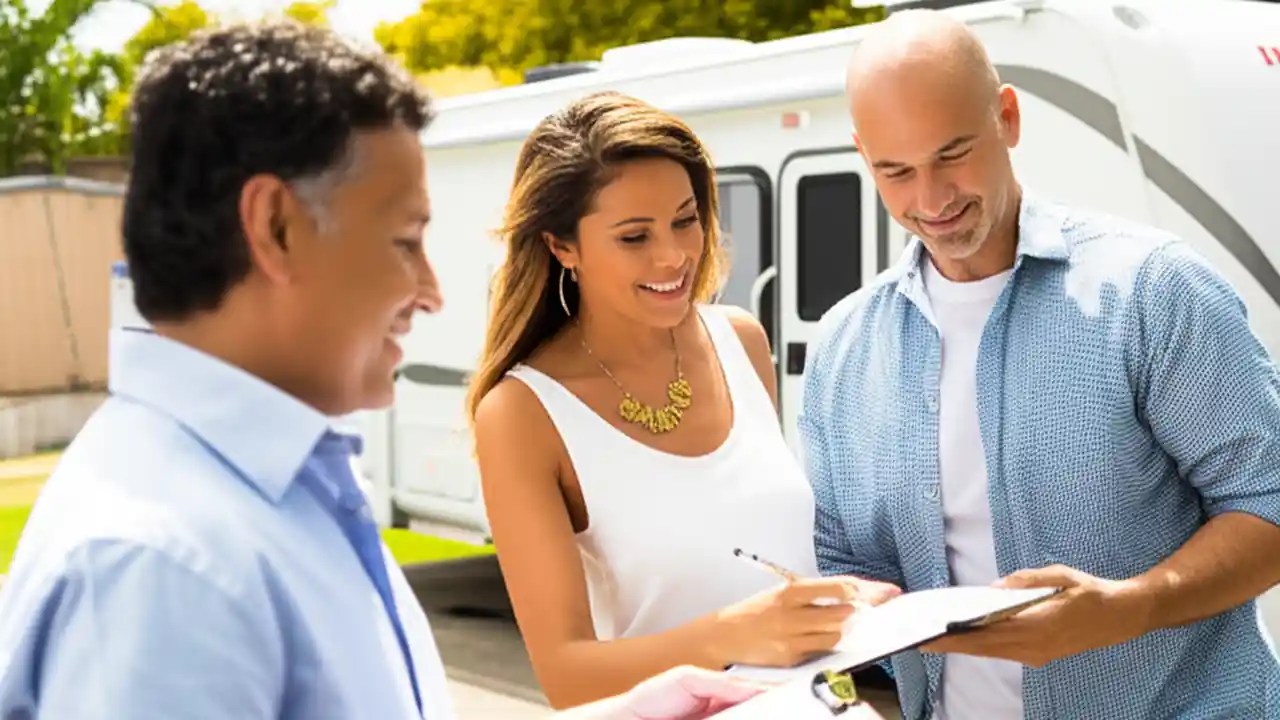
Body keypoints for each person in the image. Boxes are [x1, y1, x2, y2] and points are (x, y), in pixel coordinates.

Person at [0, 21, 764, 720]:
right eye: (405, 241)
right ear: (275, 229)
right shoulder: (162, 571)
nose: (430, 292)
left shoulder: (267, 490)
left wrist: (634, 708)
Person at [800, 8, 1280, 720]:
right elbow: (844, 564)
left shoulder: (1153, 290)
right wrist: (852, 608)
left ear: (1007, 118)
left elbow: (1267, 502)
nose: (930, 201)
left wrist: (1128, 609)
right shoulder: (844, 346)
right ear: (863, 157)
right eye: (896, 171)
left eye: (951, 155)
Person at [466, 91, 900, 710]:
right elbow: (566, 675)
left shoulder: (742, 340)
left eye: (685, 219)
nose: (673, 256)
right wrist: (734, 633)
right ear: (563, 247)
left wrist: (831, 604)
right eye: (634, 236)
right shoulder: (522, 414)